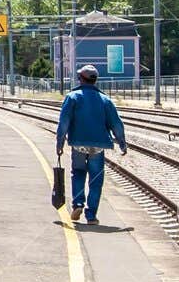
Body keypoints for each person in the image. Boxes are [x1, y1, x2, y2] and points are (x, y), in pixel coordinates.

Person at [55, 64, 128, 224]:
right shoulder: (105, 100)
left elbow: (64, 122)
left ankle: (78, 204)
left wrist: (59, 143)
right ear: (95, 80)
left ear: (81, 79)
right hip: (98, 146)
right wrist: (122, 143)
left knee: (78, 173)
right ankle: (91, 215)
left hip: (78, 144)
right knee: (96, 179)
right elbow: (116, 123)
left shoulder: (72, 97)